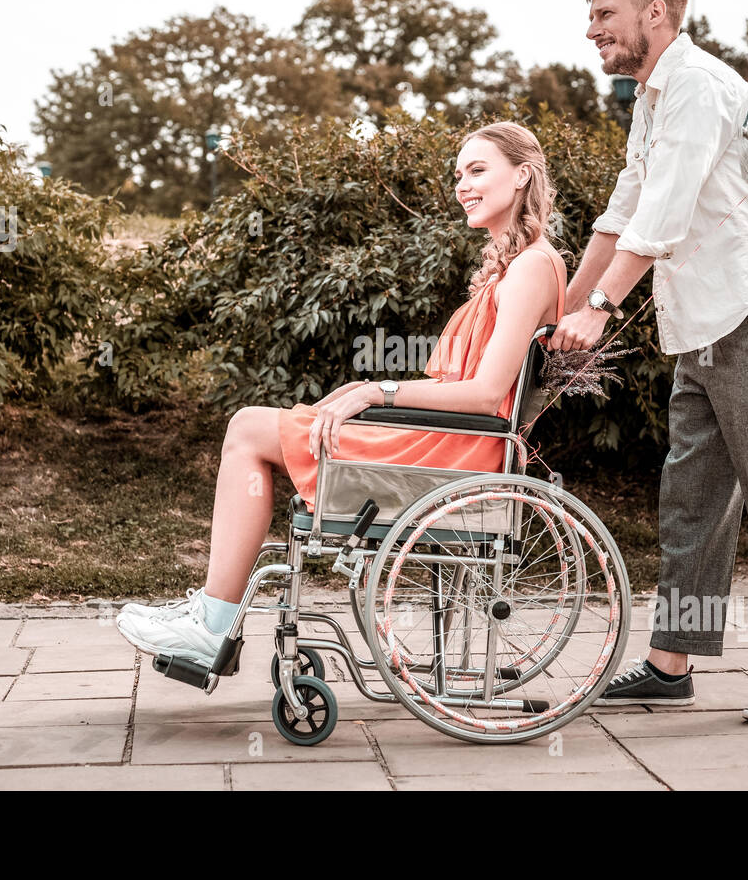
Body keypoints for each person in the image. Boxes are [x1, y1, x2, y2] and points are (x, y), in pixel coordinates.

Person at [115, 122, 567, 668]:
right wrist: (363, 389)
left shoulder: (531, 267)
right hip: (453, 443)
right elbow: (463, 385)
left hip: (461, 450)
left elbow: (485, 393)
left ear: (522, 175)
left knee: (247, 428)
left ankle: (211, 623)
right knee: (260, 426)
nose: (463, 186)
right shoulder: (517, 266)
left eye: (477, 170)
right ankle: (211, 618)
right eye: (458, 175)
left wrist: (380, 390)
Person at [551, 0, 748, 724]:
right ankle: (671, 664)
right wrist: (562, 313)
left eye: (604, 14)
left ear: (655, 15)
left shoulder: (700, 87)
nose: (592, 29)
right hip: (700, 325)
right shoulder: (651, 98)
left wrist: (602, 310)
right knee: (692, 501)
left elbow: (664, 215)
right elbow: (619, 216)